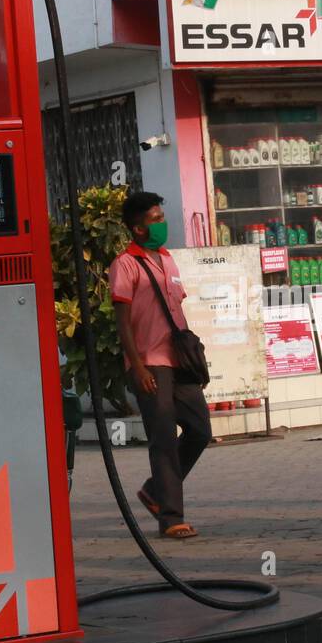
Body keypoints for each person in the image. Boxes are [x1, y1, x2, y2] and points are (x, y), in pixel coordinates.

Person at [108, 191, 210, 539]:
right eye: (155, 219)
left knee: (200, 430)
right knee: (163, 437)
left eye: (161, 217)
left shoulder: (168, 259)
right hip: (150, 362)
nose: (162, 224)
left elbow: (177, 311)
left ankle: (155, 490)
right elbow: (122, 323)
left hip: (179, 361)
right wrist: (137, 368)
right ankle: (171, 517)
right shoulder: (124, 265)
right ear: (138, 228)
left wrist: (194, 361)